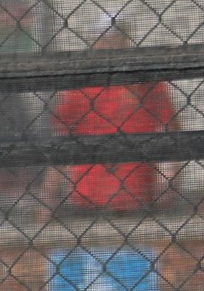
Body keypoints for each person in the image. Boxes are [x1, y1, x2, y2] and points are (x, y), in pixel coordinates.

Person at [48, 15, 175, 213]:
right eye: (105, 39)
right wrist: (49, 197)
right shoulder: (79, 87)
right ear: (96, 42)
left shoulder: (147, 83)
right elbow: (60, 145)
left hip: (139, 197)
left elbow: (171, 133)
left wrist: (168, 184)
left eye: (118, 37)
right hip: (88, 200)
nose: (111, 45)